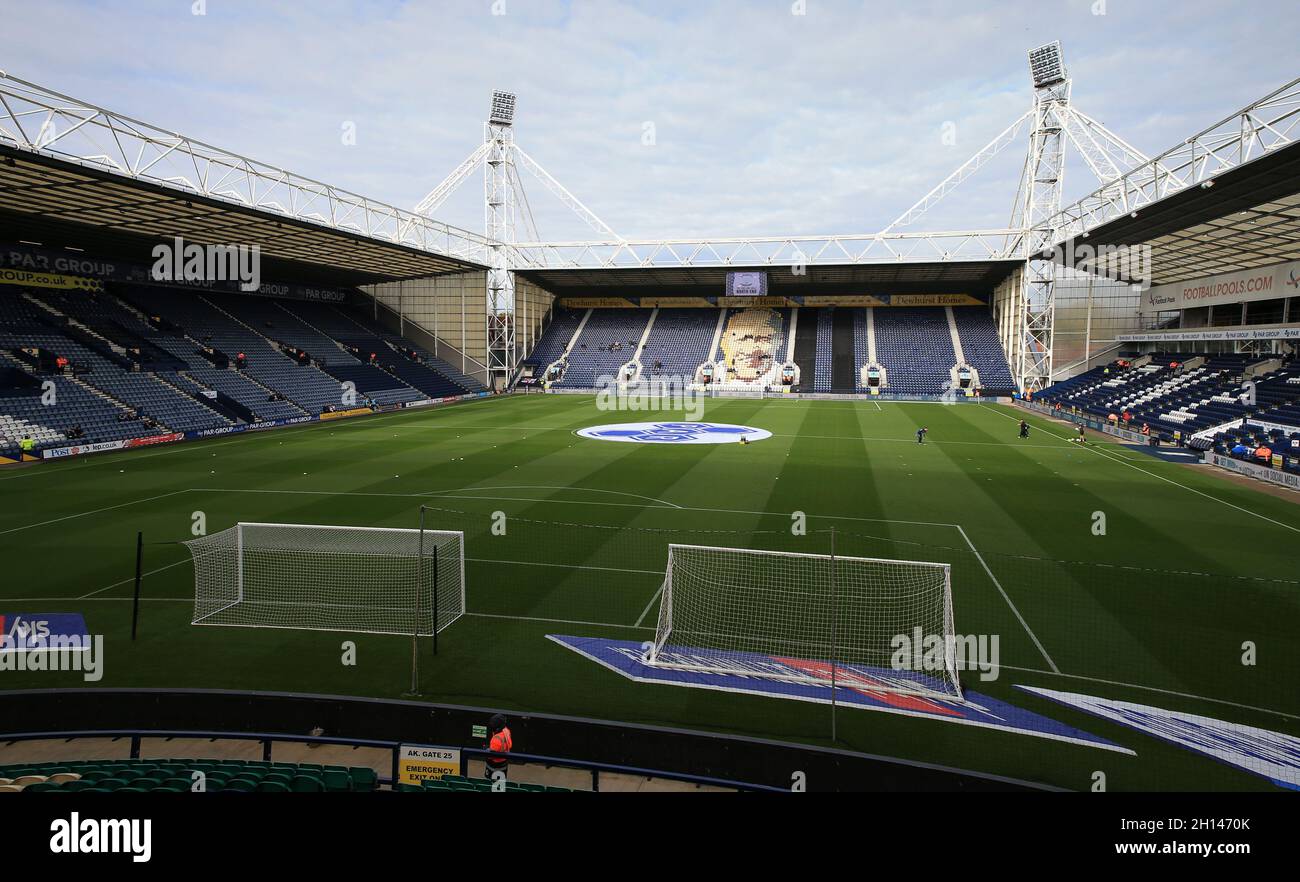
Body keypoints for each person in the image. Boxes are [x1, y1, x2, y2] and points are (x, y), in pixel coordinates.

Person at [484, 713, 512, 781]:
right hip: (504, 762)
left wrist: (486, 750)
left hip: (494, 765)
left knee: (491, 784)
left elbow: (491, 755)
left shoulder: (496, 739)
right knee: (500, 784)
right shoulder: (506, 730)